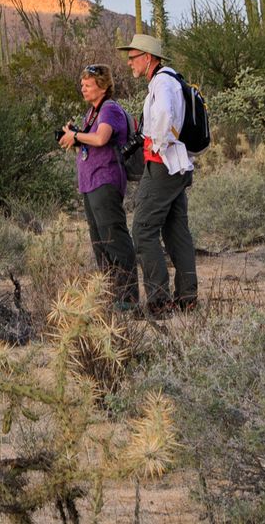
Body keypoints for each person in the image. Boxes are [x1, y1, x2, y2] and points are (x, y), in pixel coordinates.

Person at [117, 32, 198, 315]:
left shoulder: (162, 82)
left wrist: (156, 144)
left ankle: (159, 300)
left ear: (147, 57)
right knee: (176, 231)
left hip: (164, 165)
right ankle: (187, 298)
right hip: (178, 166)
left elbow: (164, 115)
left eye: (132, 58)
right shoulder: (168, 79)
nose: (129, 63)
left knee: (142, 230)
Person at [59, 63, 138, 308]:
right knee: (99, 241)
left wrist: (77, 136)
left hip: (106, 180)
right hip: (91, 182)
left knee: (114, 237)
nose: (83, 88)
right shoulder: (92, 112)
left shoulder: (109, 109)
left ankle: (128, 298)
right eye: (82, 84)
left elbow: (101, 138)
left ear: (102, 86)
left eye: (88, 84)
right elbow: (89, 142)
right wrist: (75, 137)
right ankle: (111, 294)